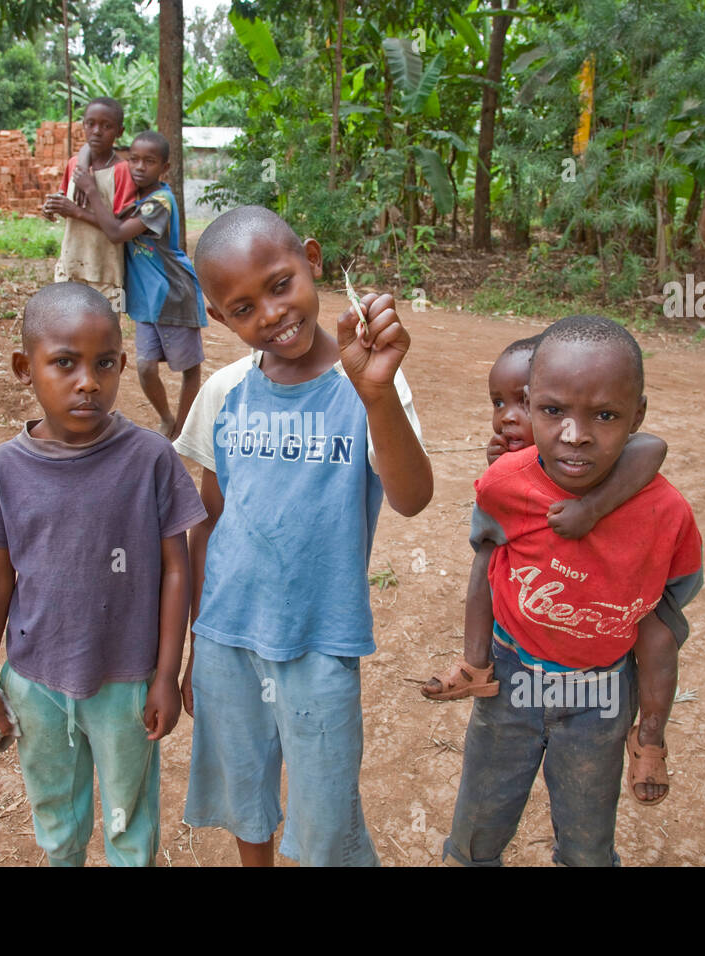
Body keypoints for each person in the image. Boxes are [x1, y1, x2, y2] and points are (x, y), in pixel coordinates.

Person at [173, 205, 433, 866]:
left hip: (320, 635)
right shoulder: (226, 391)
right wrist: (194, 647)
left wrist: (374, 394)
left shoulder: (368, 385)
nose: (269, 313)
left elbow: (411, 496)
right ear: (218, 317)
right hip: (227, 635)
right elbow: (209, 521)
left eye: (280, 284)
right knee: (245, 791)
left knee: (325, 812)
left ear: (312, 262)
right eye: (241, 307)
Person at [0, 282, 205, 867]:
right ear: (25, 368)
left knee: (128, 819)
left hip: (125, 683)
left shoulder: (150, 459)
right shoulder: (3, 470)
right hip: (36, 680)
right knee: (56, 817)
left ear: (122, 364)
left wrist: (167, 674)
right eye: (64, 362)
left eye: (103, 364)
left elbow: (178, 567)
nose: (87, 381)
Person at [441, 315, 703, 866]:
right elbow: (487, 566)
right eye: (553, 411)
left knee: (587, 843)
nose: (576, 435)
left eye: (605, 415)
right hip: (512, 680)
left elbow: (666, 608)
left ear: (638, 416)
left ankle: (649, 743)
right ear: (530, 404)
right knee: (478, 826)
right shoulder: (505, 484)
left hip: (600, 697)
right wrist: (477, 661)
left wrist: (649, 720)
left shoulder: (667, 513)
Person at [73, 130, 206, 438]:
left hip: (173, 293)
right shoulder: (135, 195)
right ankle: (167, 418)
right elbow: (89, 149)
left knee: (189, 367)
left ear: (165, 167)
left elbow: (117, 233)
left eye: (149, 161)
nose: (139, 167)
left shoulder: (159, 201)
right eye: (133, 159)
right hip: (146, 300)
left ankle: (183, 431)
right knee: (145, 366)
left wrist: (89, 194)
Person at [42, 98, 136, 309]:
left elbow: (118, 228)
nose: (97, 131)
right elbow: (65, 202)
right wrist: (52, 208)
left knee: (106, 333)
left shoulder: (123, 171)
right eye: (90, 124)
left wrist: (76, 211)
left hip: (106, 272)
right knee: (67, 327)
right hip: (70, 266)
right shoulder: (74, 164)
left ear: (119, 131)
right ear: (83, 125)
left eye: (106, 126)